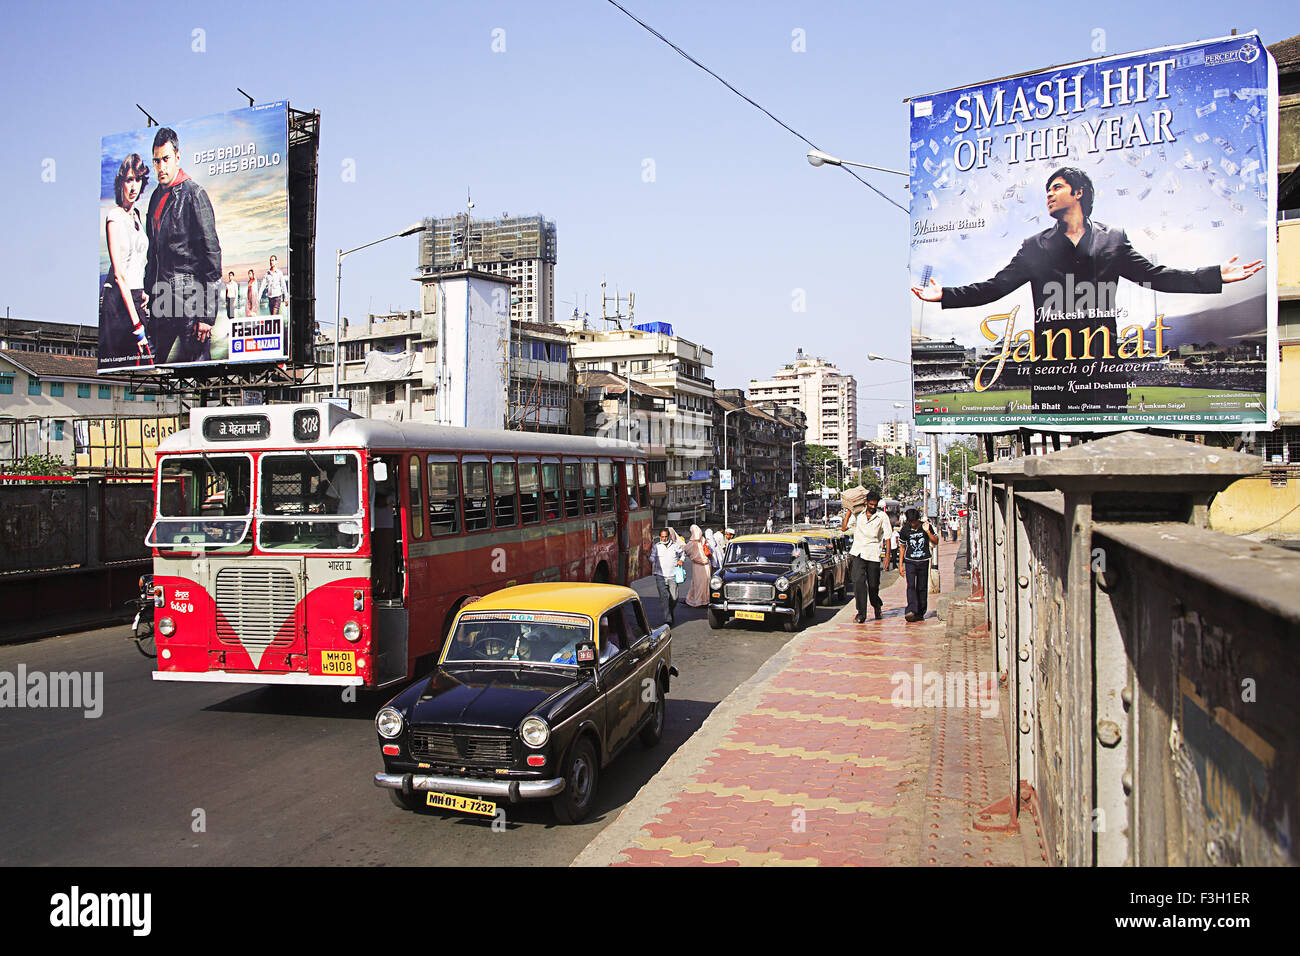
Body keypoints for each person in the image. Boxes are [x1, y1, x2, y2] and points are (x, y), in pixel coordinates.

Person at [912, 166, 1262, 414]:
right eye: (1047, 190)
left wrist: (1215, 275)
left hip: (1103, 363)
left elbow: (1157, 276)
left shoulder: (1113, 240)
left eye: (1057, 187)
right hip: (1053, 364)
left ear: (1078, 193)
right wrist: (945, 295)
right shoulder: (1035, 246)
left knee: (1109, 448)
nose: (1049, 194)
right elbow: (995, 287)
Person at [143, 127, 222, 365]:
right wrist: (148, 291)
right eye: (156, 161)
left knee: (199, 370)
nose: (161, 167)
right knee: (156, 370)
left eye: (166, 159)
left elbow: (212, 257)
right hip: (161, 303)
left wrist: (207, 316)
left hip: (189, 303)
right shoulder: (156, 197)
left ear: (177, 157)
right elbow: (152, 254)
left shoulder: (193, 194)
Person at [99, 153, 152, 367]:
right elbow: (120, 275)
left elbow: (138, 261)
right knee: (126, 365)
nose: (133, 186)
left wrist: (143, 292)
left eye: (138, 180)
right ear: (121, 182)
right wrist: (137, 325)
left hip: (136, 298)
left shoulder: (138, 215)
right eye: (129, 180)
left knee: (145, 366)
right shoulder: (115, 216)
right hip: (119, 302)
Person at [841, 489, 893, 622]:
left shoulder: (882, 517)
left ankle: (876, 605)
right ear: (866, 503)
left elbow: (887, 536)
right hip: (858, 552)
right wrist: (850, 509)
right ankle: (861, 613)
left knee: (873, 586)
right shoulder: (858, 515)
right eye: (871, 505)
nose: (873, 507)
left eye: (875, 505)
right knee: (858, 582)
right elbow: (844, 527)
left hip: (873, 553)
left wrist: (887, 556)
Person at [893, 509, 939, 623]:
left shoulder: (926, 526)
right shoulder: (905, 530)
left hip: (923, 560)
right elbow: (902, 547)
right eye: (911, 522)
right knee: (911, 586)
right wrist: (900, 565)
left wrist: (928, 532)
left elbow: (936, 541)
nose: (913, 524)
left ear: (919, 519)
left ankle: (921, 612)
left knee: (922, 587)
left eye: (915, 522)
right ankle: (911, 610)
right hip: (910, 561)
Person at [652, 528, 685, 626]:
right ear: (660, 537)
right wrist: (646, 556)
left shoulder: (675, 546)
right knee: (664, 597)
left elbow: (682, 554)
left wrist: (681, 560)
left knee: (674, 598)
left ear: (669, 537)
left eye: (666, 537)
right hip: (660, 576)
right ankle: (668, 618)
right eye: (662, 537)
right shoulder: (656, 547)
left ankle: (670, 611)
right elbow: (652, 558)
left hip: (672, 575)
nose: (664, 539)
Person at [683, 525, 711, 607]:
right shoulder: (703, 539)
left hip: (697, 566)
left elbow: (686, 550)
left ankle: (696, 600)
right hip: (706, 565)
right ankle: (705, 600)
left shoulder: (692, 543)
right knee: (705, 583)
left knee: (697, 583)